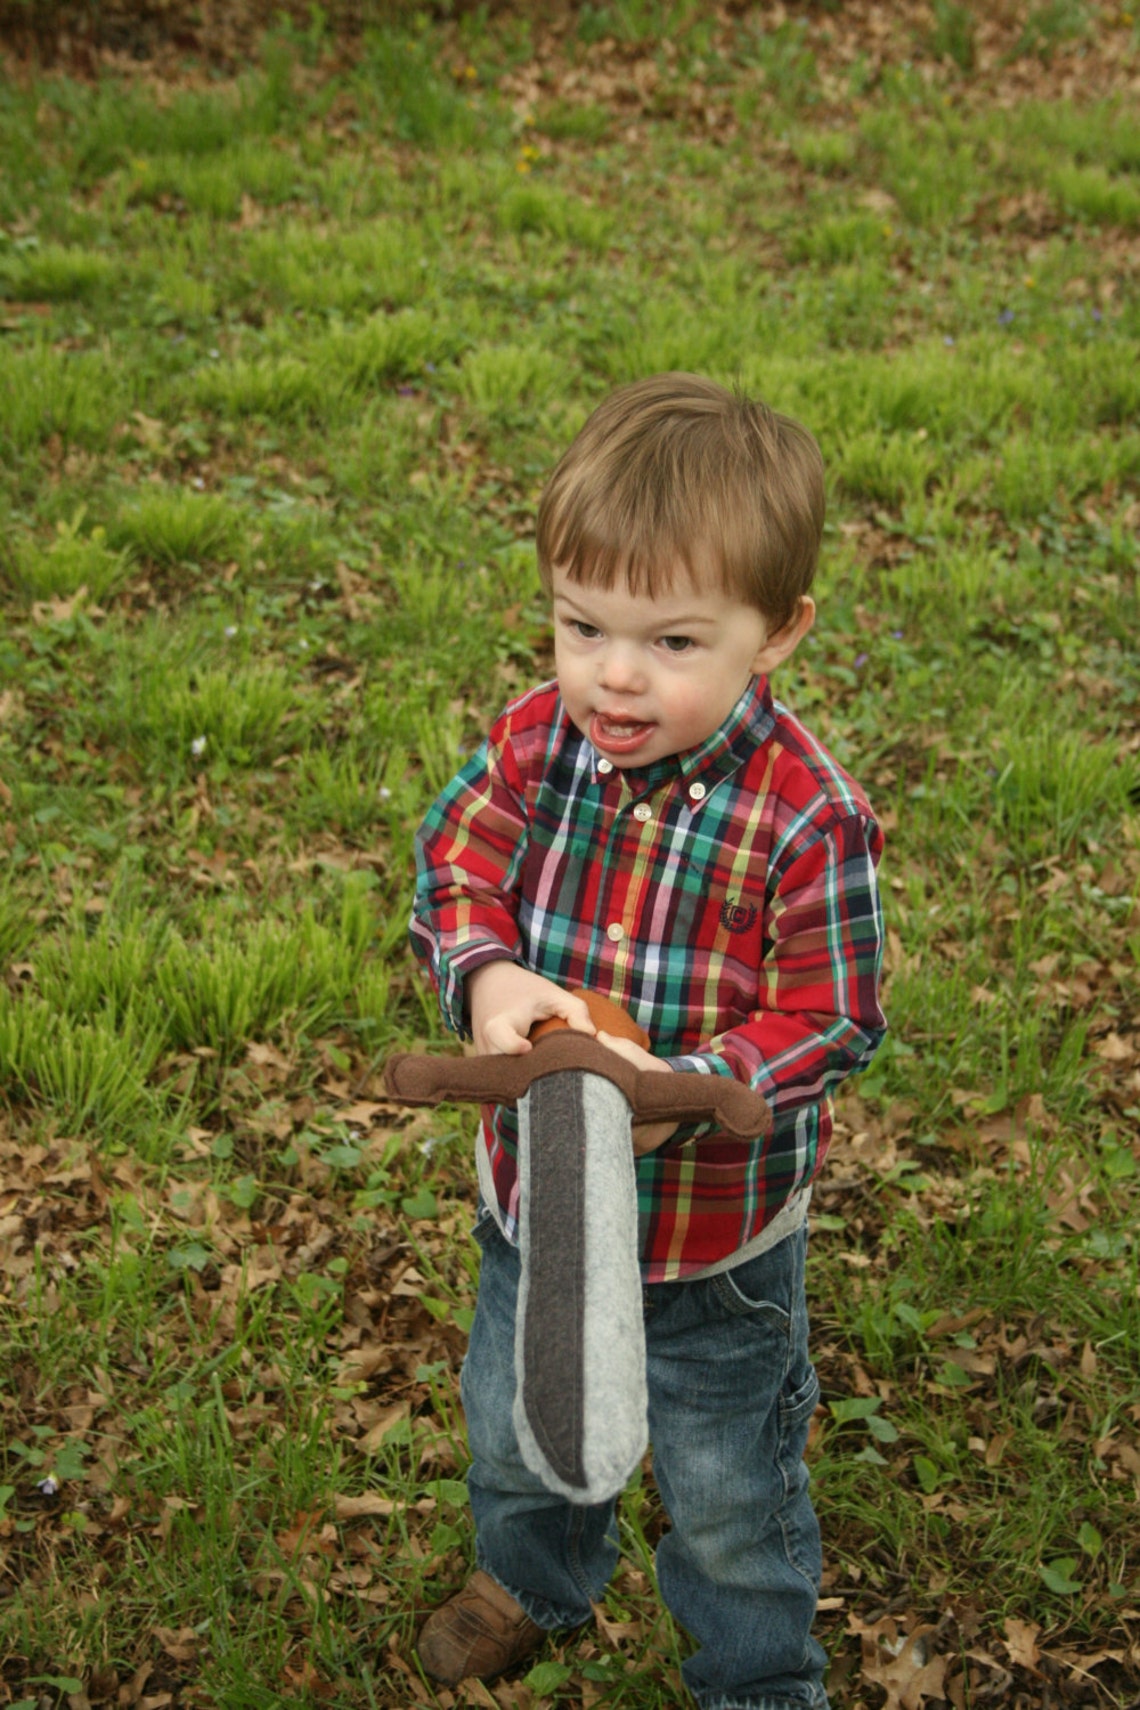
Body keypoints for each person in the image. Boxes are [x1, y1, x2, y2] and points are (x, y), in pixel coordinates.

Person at [408, 372, 886, 1709]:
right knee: (522, 1415)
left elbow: (836, 1012)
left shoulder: (806, 817)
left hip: (707, 1238)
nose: (614, 674)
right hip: (543, 1199)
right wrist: (490, 975)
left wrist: (698, 1087)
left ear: (776, 630)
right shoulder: (536, 738)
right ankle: (537, 1574)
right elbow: (458, 863)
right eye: (582, 624)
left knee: (728, 1479)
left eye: (673, 641)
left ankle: (755, 1672)